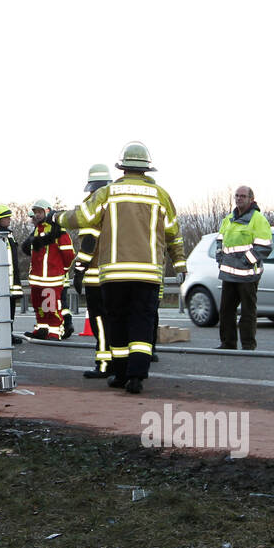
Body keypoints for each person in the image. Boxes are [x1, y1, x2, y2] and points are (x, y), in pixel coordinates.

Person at [58, 142, 185, 394]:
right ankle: (137, 376)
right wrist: (179, 263)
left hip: (114, 274)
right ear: (147, 169)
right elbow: (173, 234)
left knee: (116, 321)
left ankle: (120, 373)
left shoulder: (108, 193)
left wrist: (56, 218)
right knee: (142, 321)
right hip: (148, 274)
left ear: (122, 167)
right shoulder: (161, 195)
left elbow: (82, 217)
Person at [215, 186, 272, 351]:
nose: (239, 198)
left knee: (248, 313)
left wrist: (245, 261)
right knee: (226, 311)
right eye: (237, 196)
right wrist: (220, 258)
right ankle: (228, 343)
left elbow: (265, 246)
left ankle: (248, 345)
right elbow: (220, 241)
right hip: (228, 274)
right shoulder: (228, 219)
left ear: (251, 199)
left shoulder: (258, 219)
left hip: (248, 275)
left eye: (243, 196)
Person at [73, 165, 113, 377]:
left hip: (97, 278)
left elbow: (88, 244)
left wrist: (79, 271)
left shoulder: (92, 207)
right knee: (115, 321)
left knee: (100, 321)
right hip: (116, 276)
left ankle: (105, 365)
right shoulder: (117, 205)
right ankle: (118, 364)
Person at [24, 199, 73, 340]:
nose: (37, 215)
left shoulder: (59, 231)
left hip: (52, 279)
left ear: (47, 211)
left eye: (40, 212)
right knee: (39, 305)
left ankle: (55, 331)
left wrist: (61, 269)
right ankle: (42, 329)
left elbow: (68, 254)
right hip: (37, 279)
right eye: (36, 212)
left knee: (51, 307)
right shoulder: (36, 231)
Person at [0, 205, 26, 344]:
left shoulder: (7, 233)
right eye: (6, 217)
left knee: (10, 311)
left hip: (10, 282)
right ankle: (3, 337)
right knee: (2, 312)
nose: (9, 220)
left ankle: (8, 334)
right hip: (0, 282)